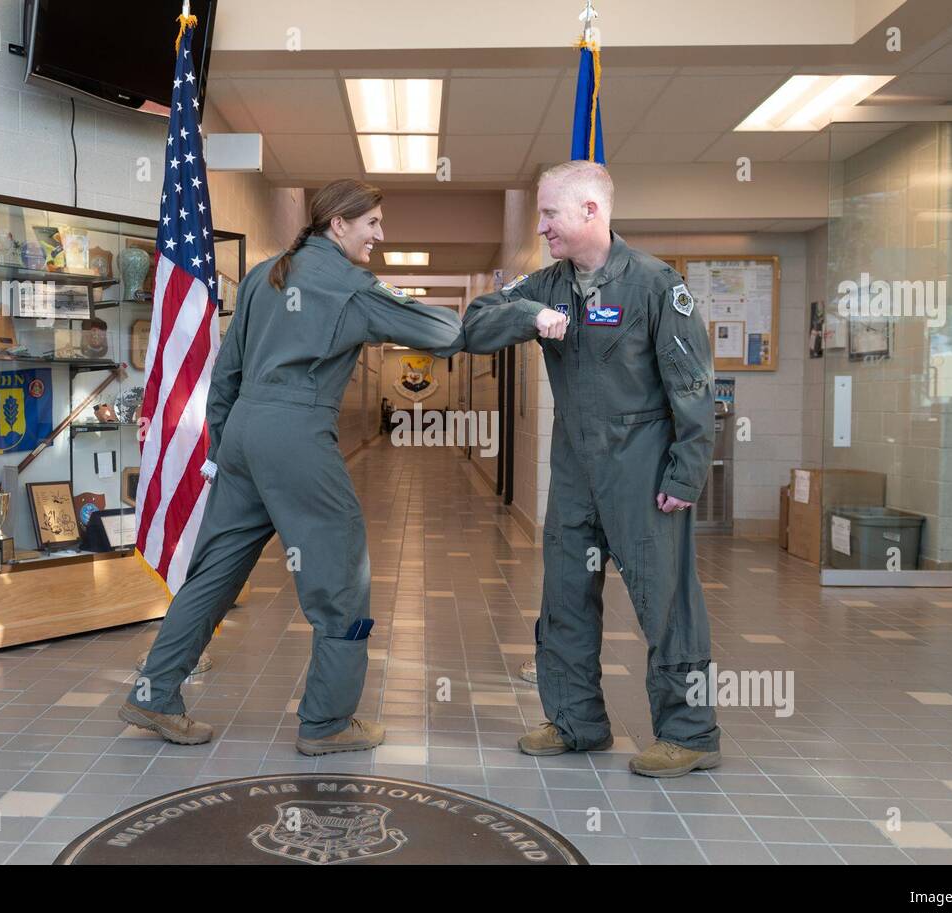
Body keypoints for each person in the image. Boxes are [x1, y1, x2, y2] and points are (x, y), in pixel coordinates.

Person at [120, 179, 463, 753]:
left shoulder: (263, 273)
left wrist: (229, 452)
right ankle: (327, 723)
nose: (380, 234)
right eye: (372, 222)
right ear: (339, 225)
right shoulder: (351, 284)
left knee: (214, 572)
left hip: (246, 435)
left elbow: (226, 372)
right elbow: (445, 333)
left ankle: (154, 694)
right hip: (298, 435)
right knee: (340, 574)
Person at [461, 160, 721, 778]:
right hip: (574, 470)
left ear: (589, 212)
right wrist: (525, 318)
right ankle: (577, 723)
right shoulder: (547, 286)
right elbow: (473, 323)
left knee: (666, 602)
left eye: (550, 213)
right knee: (566, 598)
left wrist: (685, 476)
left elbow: (693, 386)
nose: (542, 226)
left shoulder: (657, 285)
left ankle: (690, 734)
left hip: (643, 469)